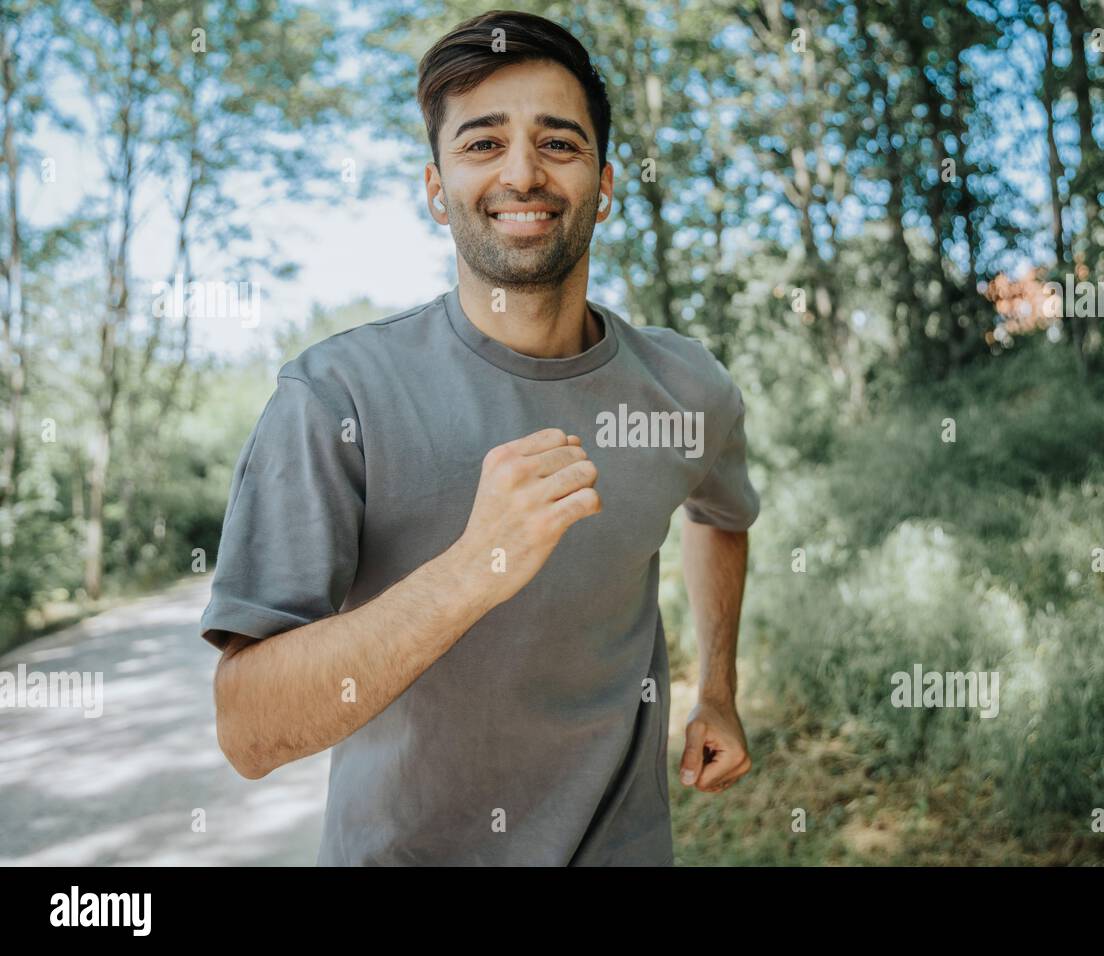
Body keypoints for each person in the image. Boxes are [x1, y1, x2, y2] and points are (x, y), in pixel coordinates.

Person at [199, 9, 760, 866]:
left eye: (559, 144)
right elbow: (249, 729)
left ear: (604, 183)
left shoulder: (685, 388)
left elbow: (721, 513)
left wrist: (717, 686)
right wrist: (473, 568)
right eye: (483, 144)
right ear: (436, 189)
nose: (523, 173)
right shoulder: (335, 397)